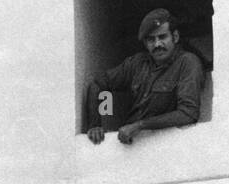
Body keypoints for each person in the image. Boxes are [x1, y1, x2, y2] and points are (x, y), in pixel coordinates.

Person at [86, 8, 204, 146]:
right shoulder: (137, 63)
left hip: (166, 147)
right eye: (151, 39)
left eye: (162, 37)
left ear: (175, 37)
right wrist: (96, 124)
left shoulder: (187, 62)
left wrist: (139, 125)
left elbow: (188, 114)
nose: (157, 44)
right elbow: (98, 85)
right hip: (127, 148)